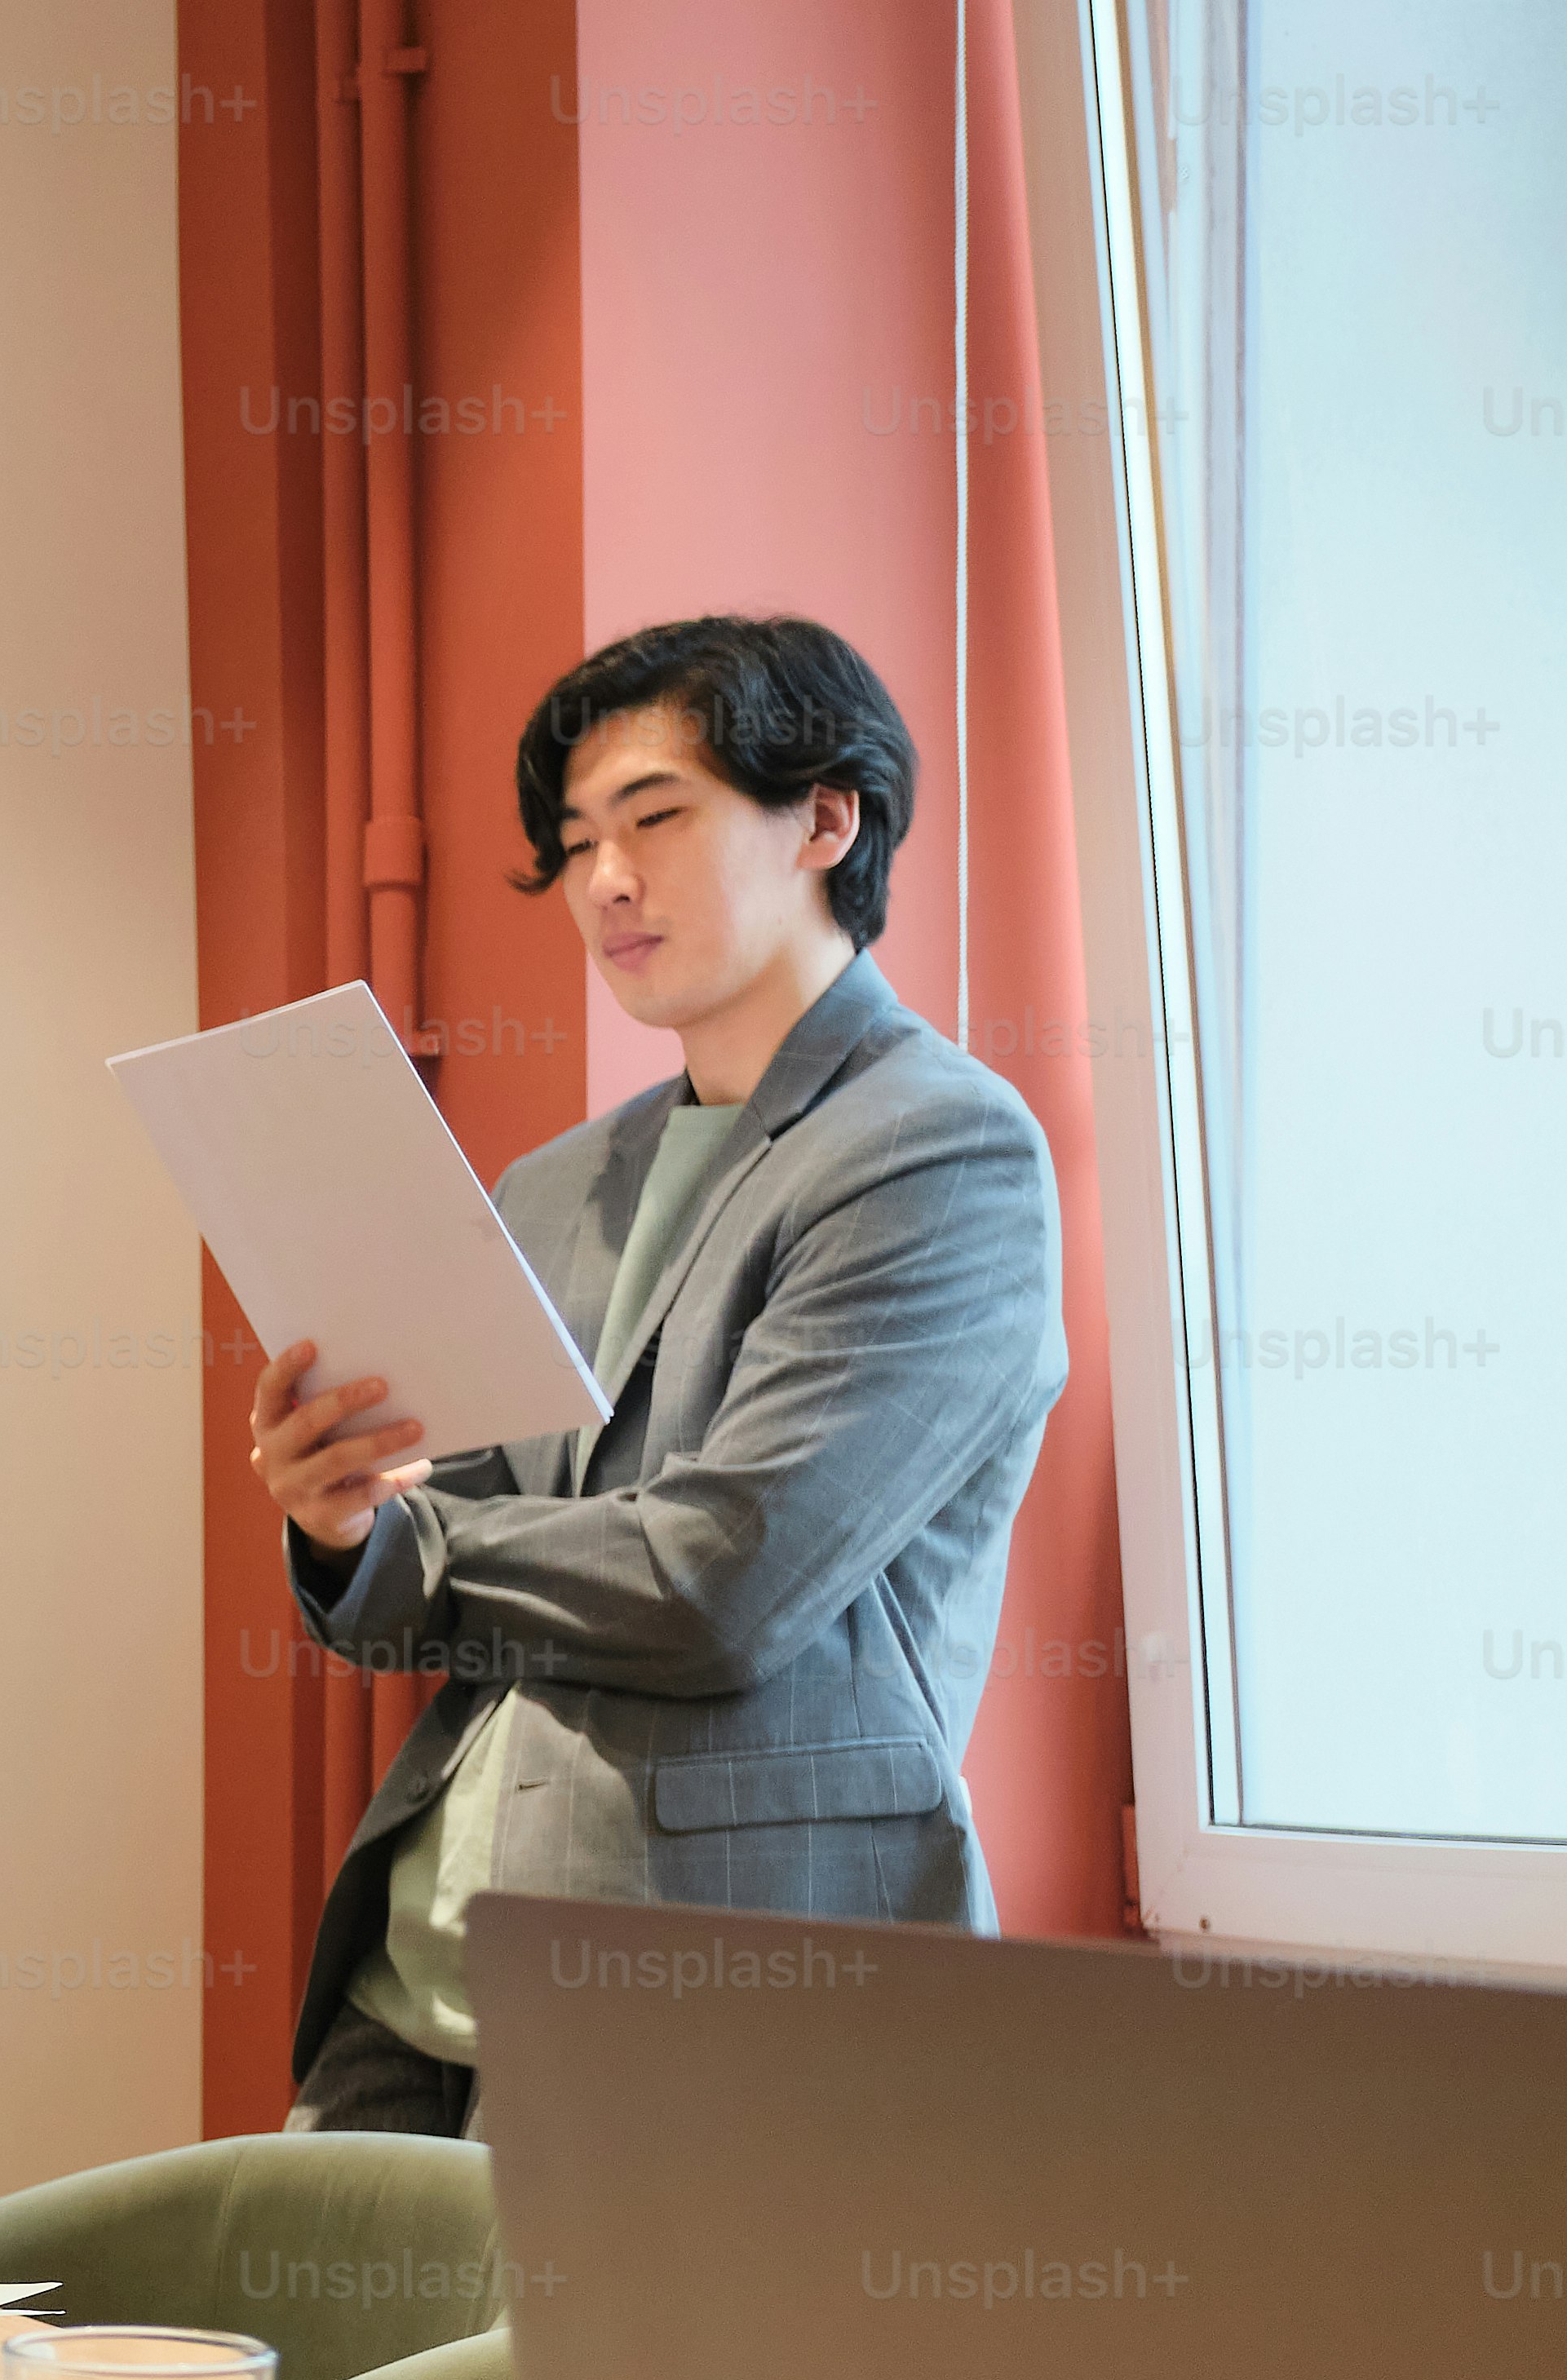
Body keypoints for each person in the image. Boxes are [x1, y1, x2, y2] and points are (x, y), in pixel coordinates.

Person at [244, 613, 1068, 2132]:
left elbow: (716, 1580)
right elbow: (415, 1579)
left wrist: (426, 1539)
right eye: (573, 843)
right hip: (414, 1968)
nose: (602, 880)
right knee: (302, 2371)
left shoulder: (938, 1153)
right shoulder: (559, 1182)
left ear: (826, 816)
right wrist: (345, 1527)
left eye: (655, 817)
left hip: (708, 1982)